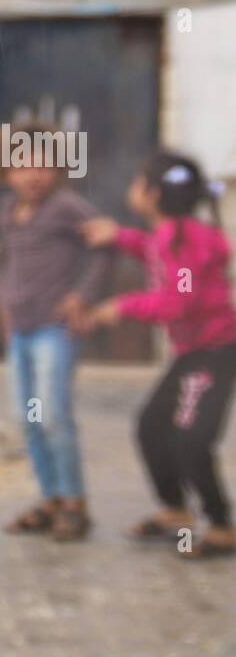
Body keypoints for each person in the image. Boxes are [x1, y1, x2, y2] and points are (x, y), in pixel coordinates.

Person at [80, 153, 236, 559]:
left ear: (152, 193)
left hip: (213, 352)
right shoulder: (173, 235)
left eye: (137, 182)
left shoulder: (185, 240)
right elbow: (155, 252)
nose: (132, 188)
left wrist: (122, 307)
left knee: (191, 438)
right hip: (193, 353)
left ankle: (221, 525)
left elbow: (179, 300)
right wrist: (119, 236)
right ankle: (175, 511)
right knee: (151, 426)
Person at [0, 123, 112, 541]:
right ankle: (50, 499)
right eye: (21, 165)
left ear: (58, 167)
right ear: (4, 170)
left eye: (41, 163)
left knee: (54, 414)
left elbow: (105, 247)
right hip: (20, 333)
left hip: (53, 331)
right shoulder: (8, 210)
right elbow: (0, 259)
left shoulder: (66, 207)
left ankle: (75, 503)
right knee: (28, 418)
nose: (32, 173)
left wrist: (83, 297)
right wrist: (3, 307)